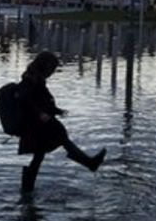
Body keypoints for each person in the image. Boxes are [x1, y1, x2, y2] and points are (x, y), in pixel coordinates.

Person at [16, 51, 106, 193]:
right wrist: (40, 114)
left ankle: (27, 190)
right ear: (44, 66)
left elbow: (41, 100)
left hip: (38, 124)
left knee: (40, 154)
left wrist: (57, 111)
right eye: (52, 68)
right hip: (36, 125)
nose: (52, 72)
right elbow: (24, 99)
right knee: (59, 140)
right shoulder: (30, 79)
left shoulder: (35, 78)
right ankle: (89, 163)